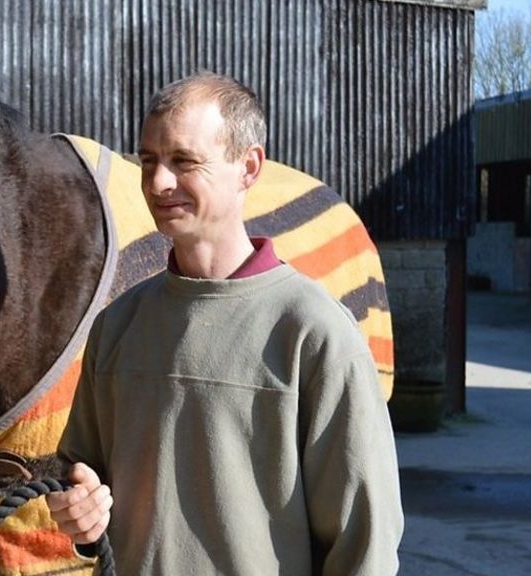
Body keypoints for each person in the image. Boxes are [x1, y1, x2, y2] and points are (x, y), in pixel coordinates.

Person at [46, 73, 404, 574]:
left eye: (183, 161)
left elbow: (364, 543)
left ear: (248, 166)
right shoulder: (117, 326)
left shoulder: (315, 333)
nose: (158, 183)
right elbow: (79, 477)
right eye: (148, 161)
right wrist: (80, 515)